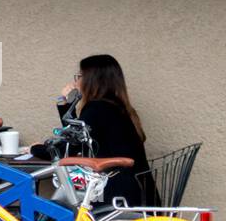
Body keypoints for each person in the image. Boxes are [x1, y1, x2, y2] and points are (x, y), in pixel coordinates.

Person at [56, 54, 153, 206]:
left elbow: (71, 147)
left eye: (80, 76)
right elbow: (77, 137)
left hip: (116, 193)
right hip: (135, 191)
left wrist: (36, 149)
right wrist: (66, 106)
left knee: (64, 201)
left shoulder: (97, 109)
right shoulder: (117, 107)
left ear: (92, 80)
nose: (77, 82)